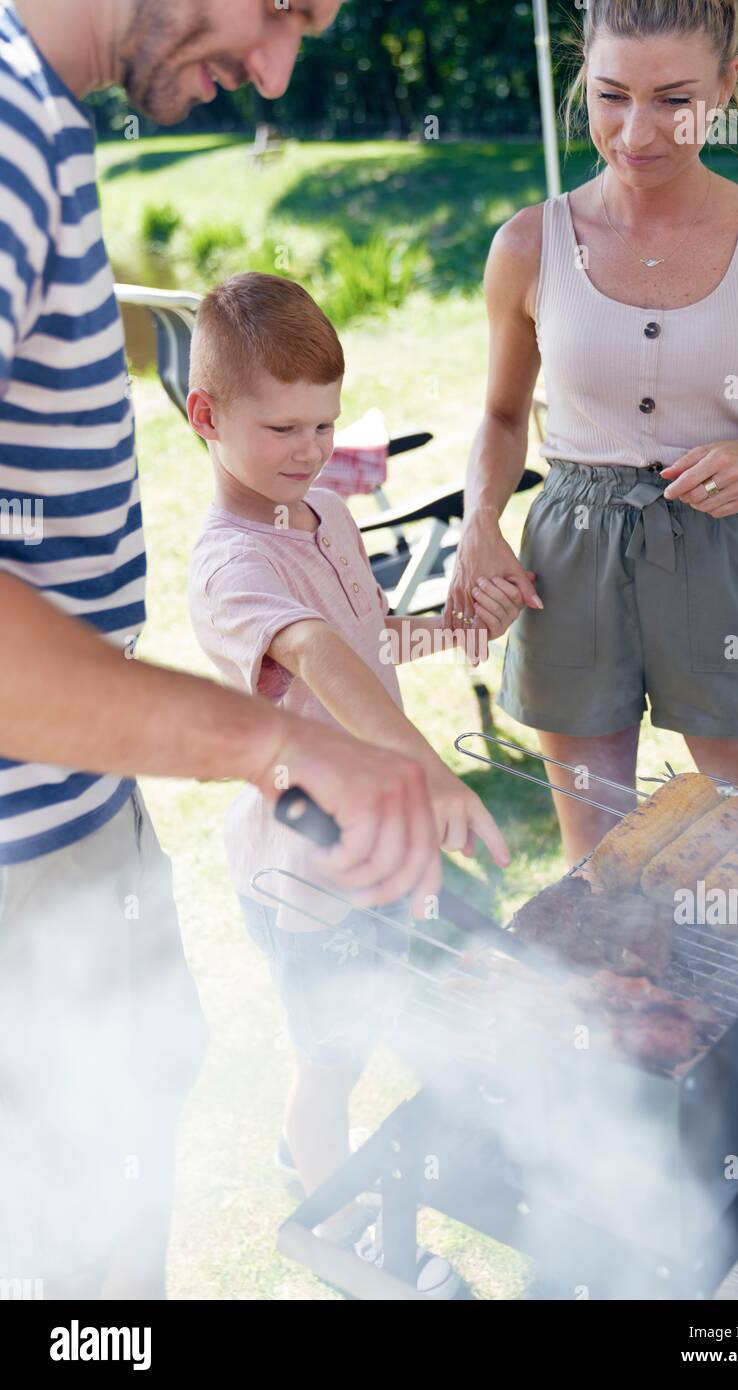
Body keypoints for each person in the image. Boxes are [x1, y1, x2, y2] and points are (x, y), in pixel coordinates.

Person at [0, 0, 443, 1301]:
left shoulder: (45, 118)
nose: (276, 68)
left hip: (70, 810)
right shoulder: (10, 125)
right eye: (280, 8)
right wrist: (278, 741)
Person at [446, 0, 738, 1220]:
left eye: (674, 98)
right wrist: (479, 520)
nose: (637, 129)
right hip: (569, 546)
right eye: (612, 94)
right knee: (604, 864)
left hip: (719, 545)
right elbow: (497, 418)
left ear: (728, 86)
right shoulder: (527, 242)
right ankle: (622, 1129)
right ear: (581, 81)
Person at [186, 272, 521, 1281]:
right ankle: (337, 1233)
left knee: (359, 1034)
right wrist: (430, 771)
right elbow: (321, 664)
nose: (309, 450)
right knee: (330, 1061)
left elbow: (364, 642)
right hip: (305, 872)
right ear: (205, 415)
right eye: (282, 428)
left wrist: (448, 628)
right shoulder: (230, 568)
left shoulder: (324, 511)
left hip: (381, 852)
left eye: (323, 424)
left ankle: (308, 1142)